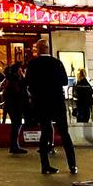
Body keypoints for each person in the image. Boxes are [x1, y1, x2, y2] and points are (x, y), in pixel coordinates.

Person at [26, 42, 76, 174]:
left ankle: (45, 165)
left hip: (41, 102)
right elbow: (65, 81)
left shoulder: (32, 64)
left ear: (38, 49)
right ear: (48, 48)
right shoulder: (56, 63)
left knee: (45, 132)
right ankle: (72, 164)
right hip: (56, 101)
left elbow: (28, 83)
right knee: (64, 132)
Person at [3, 63, 28, 154]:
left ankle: (14, 145)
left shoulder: (11, 79)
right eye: (20, 70)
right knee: (16, 124)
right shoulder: (15, 80)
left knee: (16, 124)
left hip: (13, 105)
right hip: (15, 106)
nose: (21, 71)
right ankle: (14, 145)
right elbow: (18, 93)